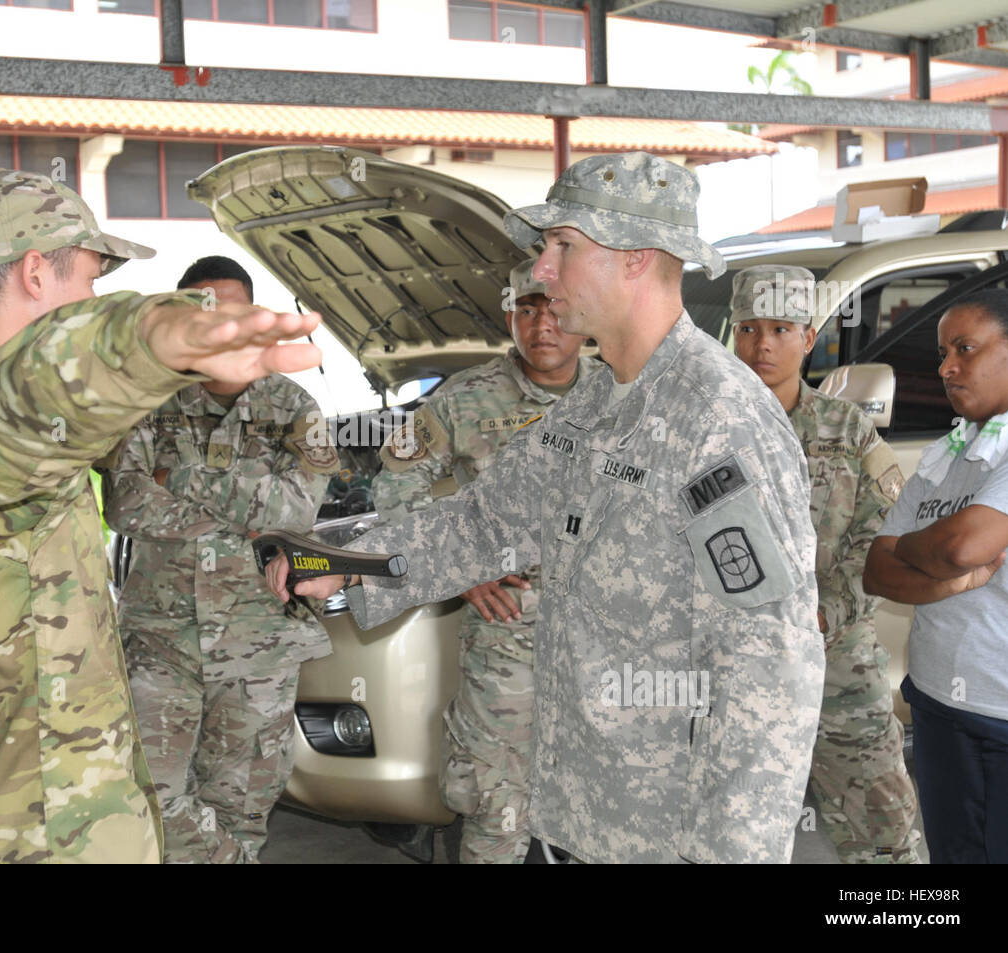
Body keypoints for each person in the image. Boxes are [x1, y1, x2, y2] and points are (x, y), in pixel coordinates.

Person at [268, 151, 824, 863]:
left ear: (634, 257)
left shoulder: (718, 418)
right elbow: (483, 522)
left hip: (670, 834)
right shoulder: (595, 403)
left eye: (563, 247)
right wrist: (335, 560)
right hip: (584, 814)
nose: (541, 272)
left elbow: (769, 668)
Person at [0, 168, 323, 864]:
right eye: (92, 280)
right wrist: (149, 339)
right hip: (26, 828)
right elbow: (34, 394)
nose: (95, 296)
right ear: (36, 272)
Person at [104, 254, 338, 863]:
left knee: (243, 805)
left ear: (256, 318)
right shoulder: (147, 402)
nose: (219, 326)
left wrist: (179, 476)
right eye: (203, 313)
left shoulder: (296, 409)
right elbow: (126, 503)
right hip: (160, 641)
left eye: (232, 312)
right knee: (148, 793)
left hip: (256, 646)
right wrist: (240, 515)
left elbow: (294, 512)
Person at [370, 257, 594, 863]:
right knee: (499, 808)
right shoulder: (465, 399)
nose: (543, 324)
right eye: (528, 309)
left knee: (608, 808)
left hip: (608, 638)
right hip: (508, 637)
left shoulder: (624, 394)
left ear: (586, 313)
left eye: (556, 308)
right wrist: (461, 568)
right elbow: (394, 491)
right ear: (510, 315)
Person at [730, 264, 920, 864]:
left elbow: (881, 537)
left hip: (838, 665)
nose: (763, 345)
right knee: (732, 837)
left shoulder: (847, 429)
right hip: (735, 670)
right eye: (750, 328)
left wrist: (824, 613)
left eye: (782, 328)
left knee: (882, 830)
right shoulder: (702, 433)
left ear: (810, 337)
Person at [864, 288, 1008, 864]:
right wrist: (952, 579)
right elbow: (877, 568)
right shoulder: (951, 450)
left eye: (965, 349)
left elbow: (962, 544)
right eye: (943, 352)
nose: (946, 367)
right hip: (939, 705)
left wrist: (920, 551)